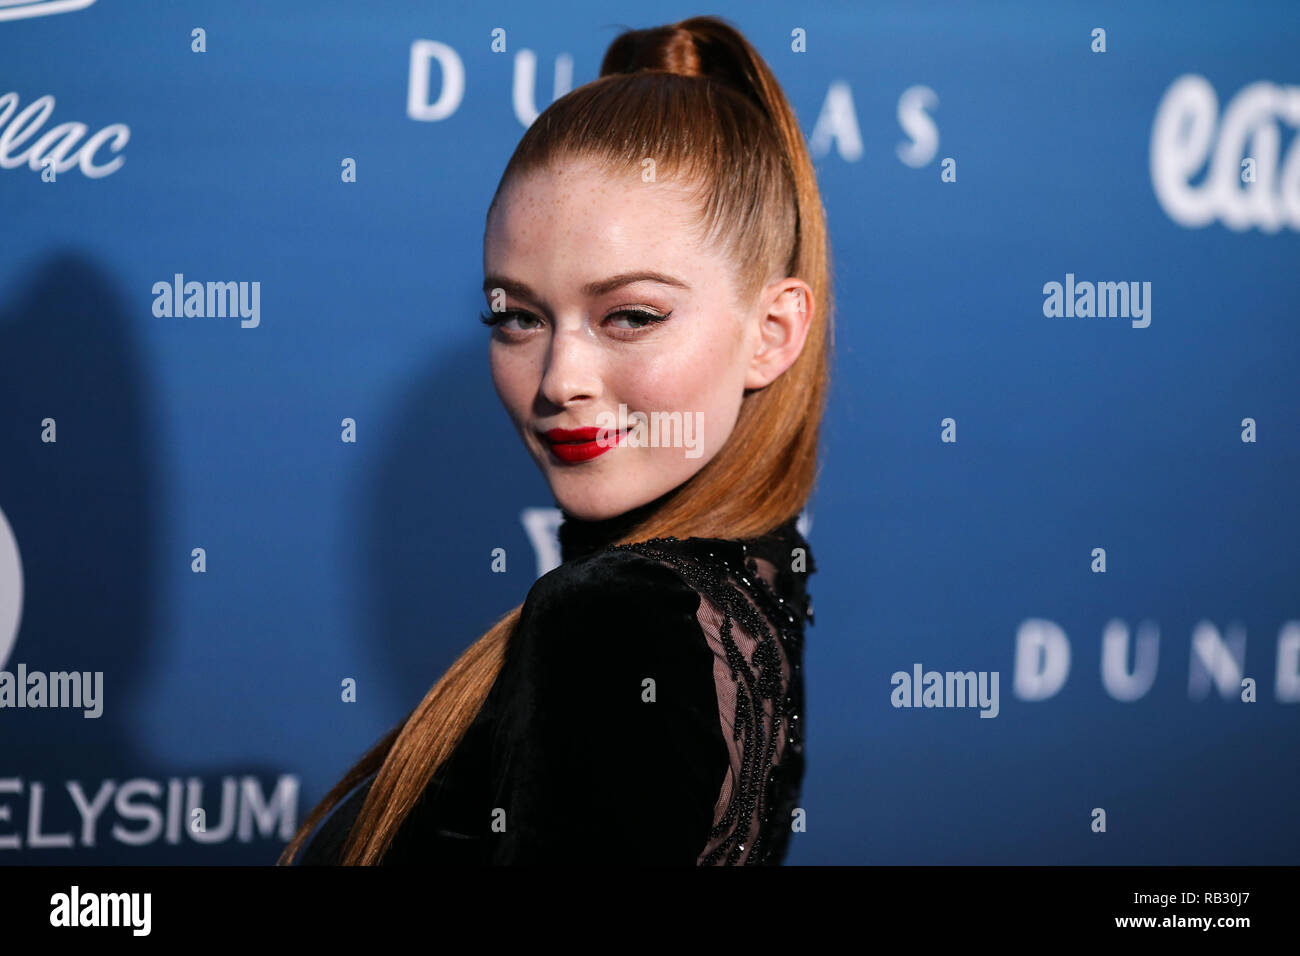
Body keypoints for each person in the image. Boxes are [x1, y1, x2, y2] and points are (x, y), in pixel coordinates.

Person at [279, 14, 834, 866]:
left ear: (772, 331)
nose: (559, 379)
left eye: (631, 316)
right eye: (518, 318)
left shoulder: (620, 620)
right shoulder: (747, 586)